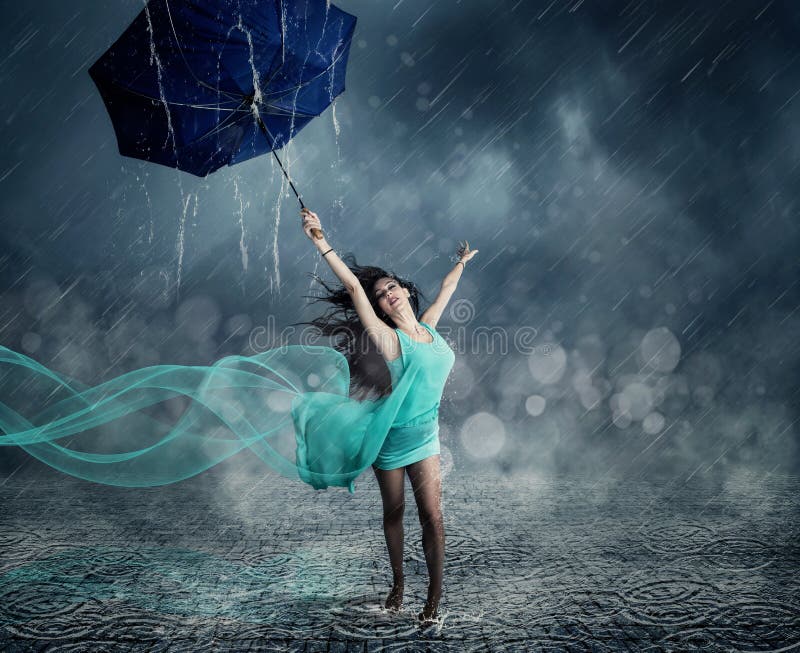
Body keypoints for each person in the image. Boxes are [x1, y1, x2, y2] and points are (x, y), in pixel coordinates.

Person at [299, 207, 478, 623]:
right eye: (381, 293)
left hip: (426, 438)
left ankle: (433, 600)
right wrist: (320, 240)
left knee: (432, 516)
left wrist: (460, 264)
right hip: (391, 438)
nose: (388, 293)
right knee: (394, 512)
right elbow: (352, 288)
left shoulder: (430, 328)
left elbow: (446, 292)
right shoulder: (388, 338)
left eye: (392, 286)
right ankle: (398, 582)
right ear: (379, 307)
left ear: (404, 291)